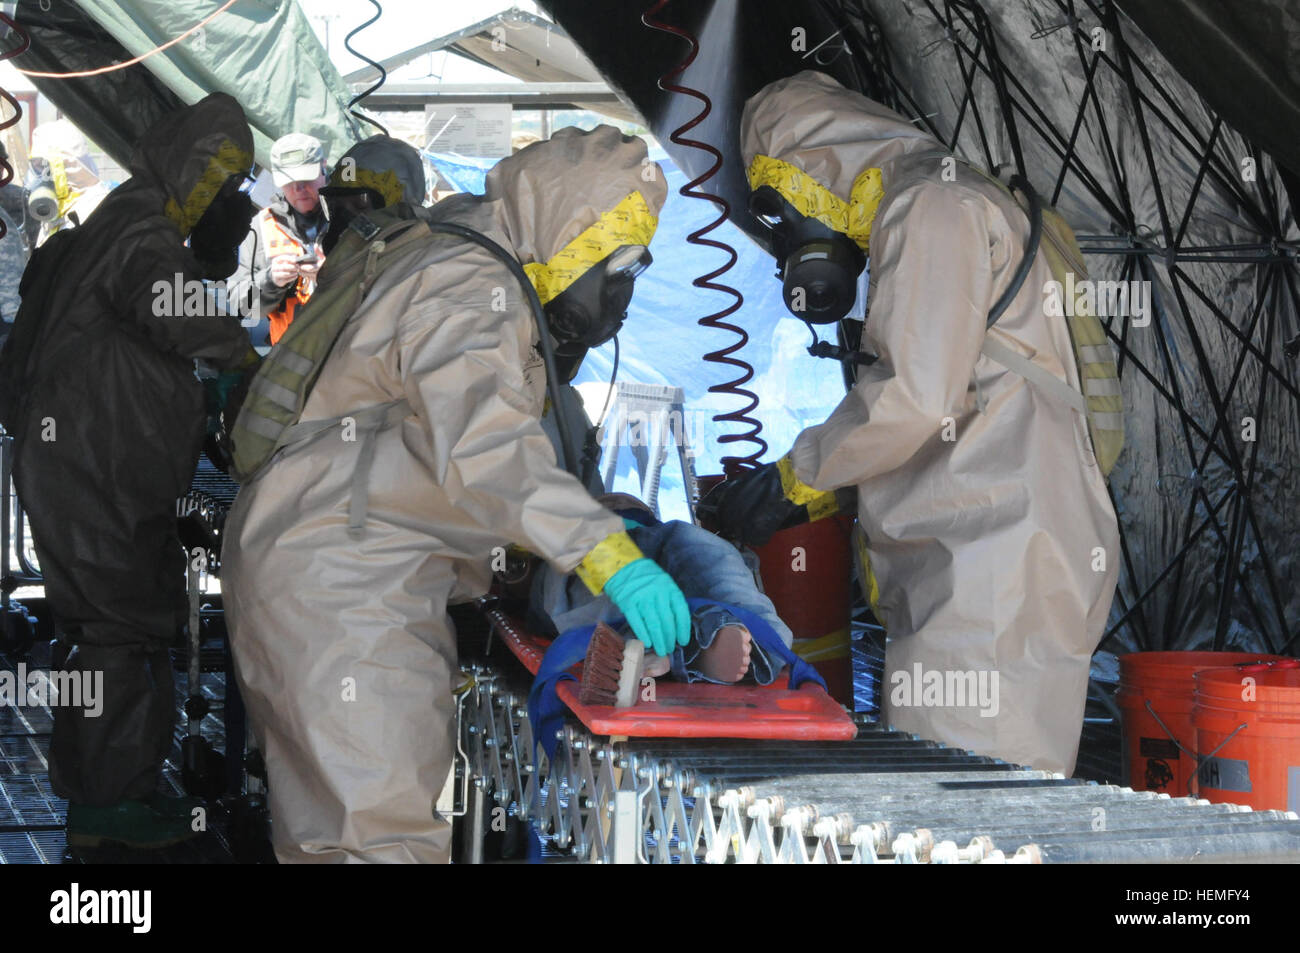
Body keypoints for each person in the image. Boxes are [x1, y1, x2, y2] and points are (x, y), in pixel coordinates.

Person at [222, 127, 687, 863]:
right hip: (343, 588)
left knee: (359, 836)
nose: (621, 292)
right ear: (571, 232)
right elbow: (485, 446)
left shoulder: (469, 250)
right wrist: (607, 555)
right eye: (616, 264)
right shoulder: (472, 282)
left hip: (351, 574)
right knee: (377, 842)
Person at [715, 71, 1121, 775]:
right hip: (1005, 560)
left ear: (811, 171)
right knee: (983, 808)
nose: (787, 246)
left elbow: (914, 397)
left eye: (779, 212)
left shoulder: (930, 205)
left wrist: (794, 479)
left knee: (965, 819)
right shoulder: (956, 195)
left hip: (990, 576)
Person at [0, 93, 260, 848]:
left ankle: (110, 795)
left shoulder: (125, 220)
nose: (236, 208)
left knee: (111, 629)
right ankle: (109, 808)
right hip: (90, 469)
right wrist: (241, 364)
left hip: (92, 465)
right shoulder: (141, 230)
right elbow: (177, 308)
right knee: (115, 632)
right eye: (229, 187)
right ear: (196, 173)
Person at [530, 493, 794, 685]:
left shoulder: (559, 524)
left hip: (595, 548)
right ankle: (747, 634)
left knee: (594, 598)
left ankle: (654, 647)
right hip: (661, 537)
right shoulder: (669, 533)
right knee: (723, 572)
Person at [230, 133, 328, 345]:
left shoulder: (352, 218)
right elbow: (242, 306)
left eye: (305, 178)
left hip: (346, 360)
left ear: (324, 167)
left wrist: (329, 274)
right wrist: (272, 280)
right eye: (289, 181)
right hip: (288, 362)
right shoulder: (261, 226)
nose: (298, 188)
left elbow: (386, 294)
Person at [25, 119, 111, 248]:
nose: (39, 176)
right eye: (35, 165)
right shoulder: (58, 209)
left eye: (43, 165)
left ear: (65, 166)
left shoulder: (96, 210)